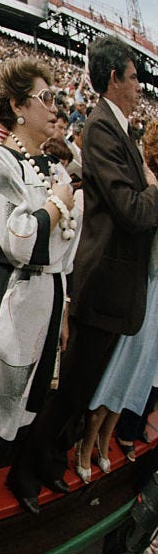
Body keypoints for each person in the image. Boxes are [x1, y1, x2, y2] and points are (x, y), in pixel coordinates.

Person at [8, 37, 158, 509]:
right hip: (103, 284)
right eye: (135, 77)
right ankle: (24, 475)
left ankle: (49, 464)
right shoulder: (100, 129)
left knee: (82, 389)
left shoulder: (118, 129)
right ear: (113, 78)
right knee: (70, 389)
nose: (140, 87)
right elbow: (133, 210)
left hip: (118, 286)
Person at [0, 59, 80, 517]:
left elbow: (64, 249)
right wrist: (56, 209)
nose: (55, 106)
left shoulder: (56, 169)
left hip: (44, 300)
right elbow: (20, 240)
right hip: (6, 294)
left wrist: (62, 307)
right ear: (18, 106)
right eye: (45, 97)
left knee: (22, 402)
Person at [80, 122, 158, 479]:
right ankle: (87, 440)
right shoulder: (149, 182)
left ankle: (107, 435)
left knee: (139, 373)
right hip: (144, 287)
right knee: (120, 367)